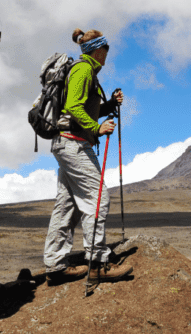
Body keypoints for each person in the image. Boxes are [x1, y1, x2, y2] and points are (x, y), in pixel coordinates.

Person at [43, 28, 133, 285]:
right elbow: (73, 107)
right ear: (98, 49)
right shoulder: (83, 70)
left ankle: (55, 266)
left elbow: (83, 107)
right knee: (97, 198)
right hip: (74, 145)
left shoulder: (85, 71)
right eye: (106, 50)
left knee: (67, 206)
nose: (107, 55)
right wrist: (96, 128)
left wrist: (108, 106)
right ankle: (98, 264)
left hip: (67, 144)